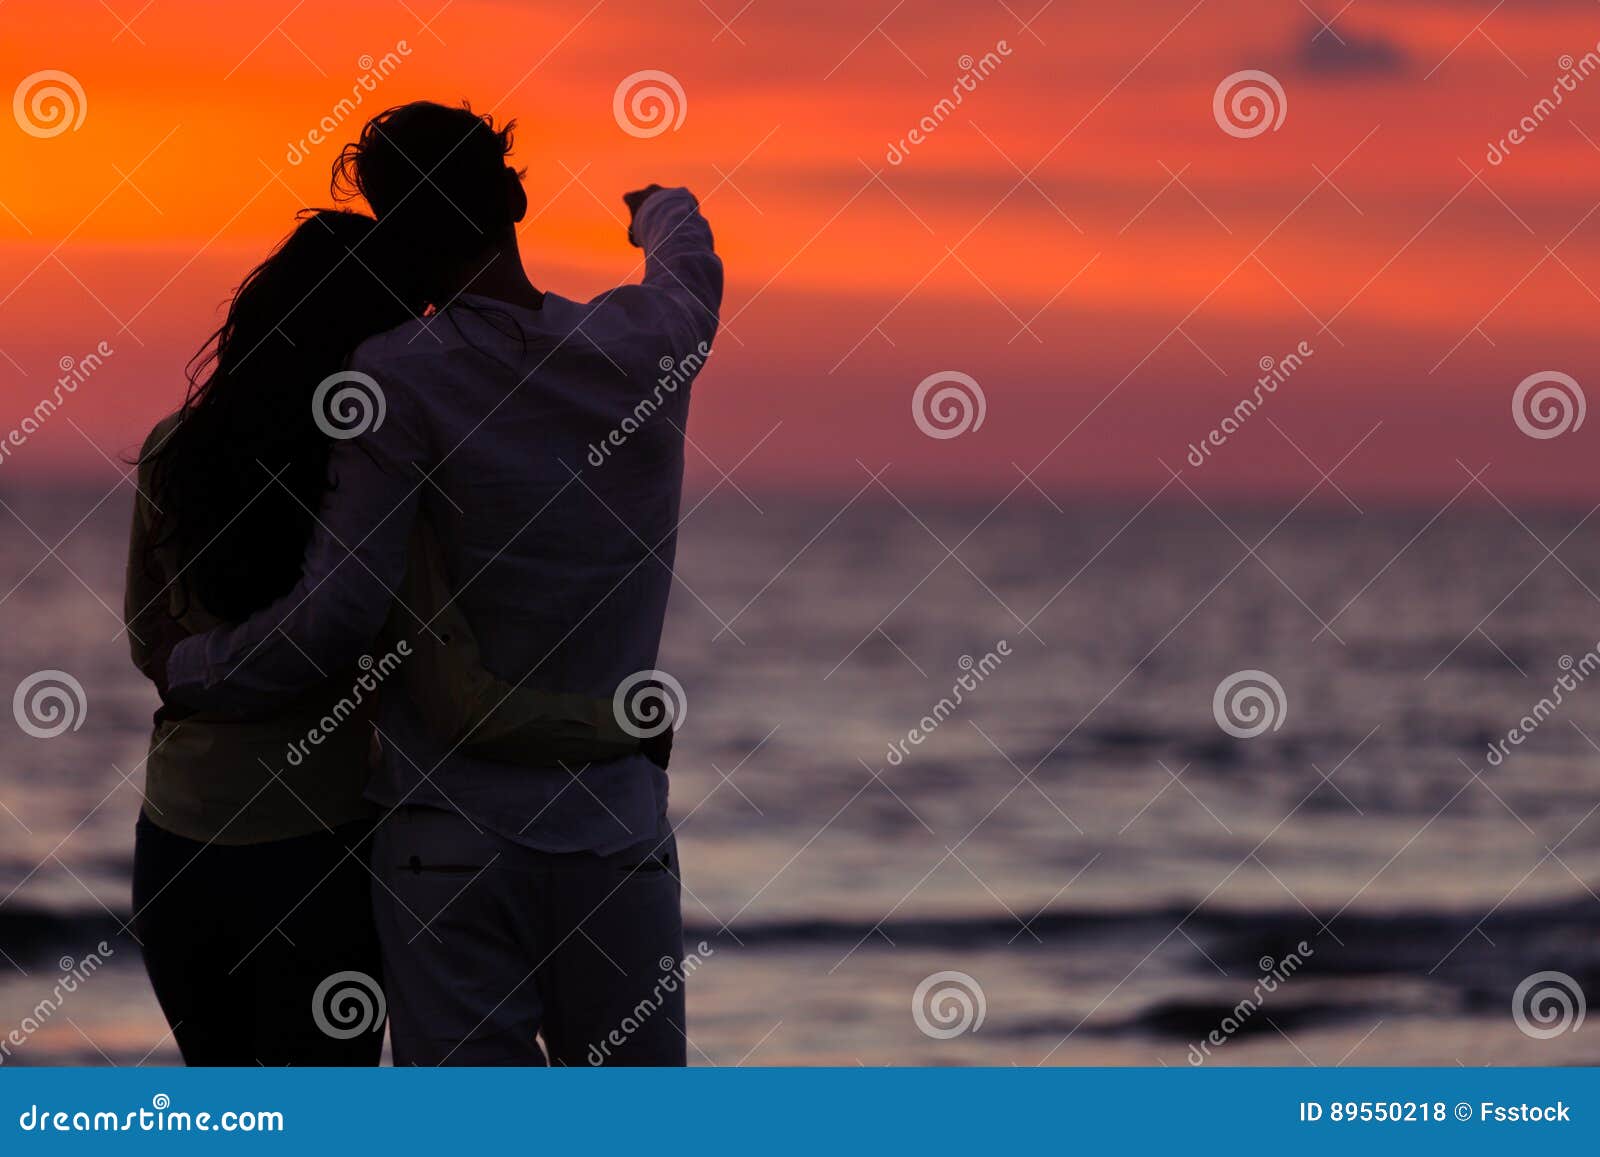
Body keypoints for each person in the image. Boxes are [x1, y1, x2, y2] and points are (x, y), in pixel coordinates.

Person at [153, 101, 723, 1065]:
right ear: (513, 200)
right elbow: (691, 260)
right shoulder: (647, 343)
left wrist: (196, 667)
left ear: (397, 238)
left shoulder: (397, 377)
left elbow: (339, 613)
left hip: (445, 838)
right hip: (610, 830)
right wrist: (655, 203)